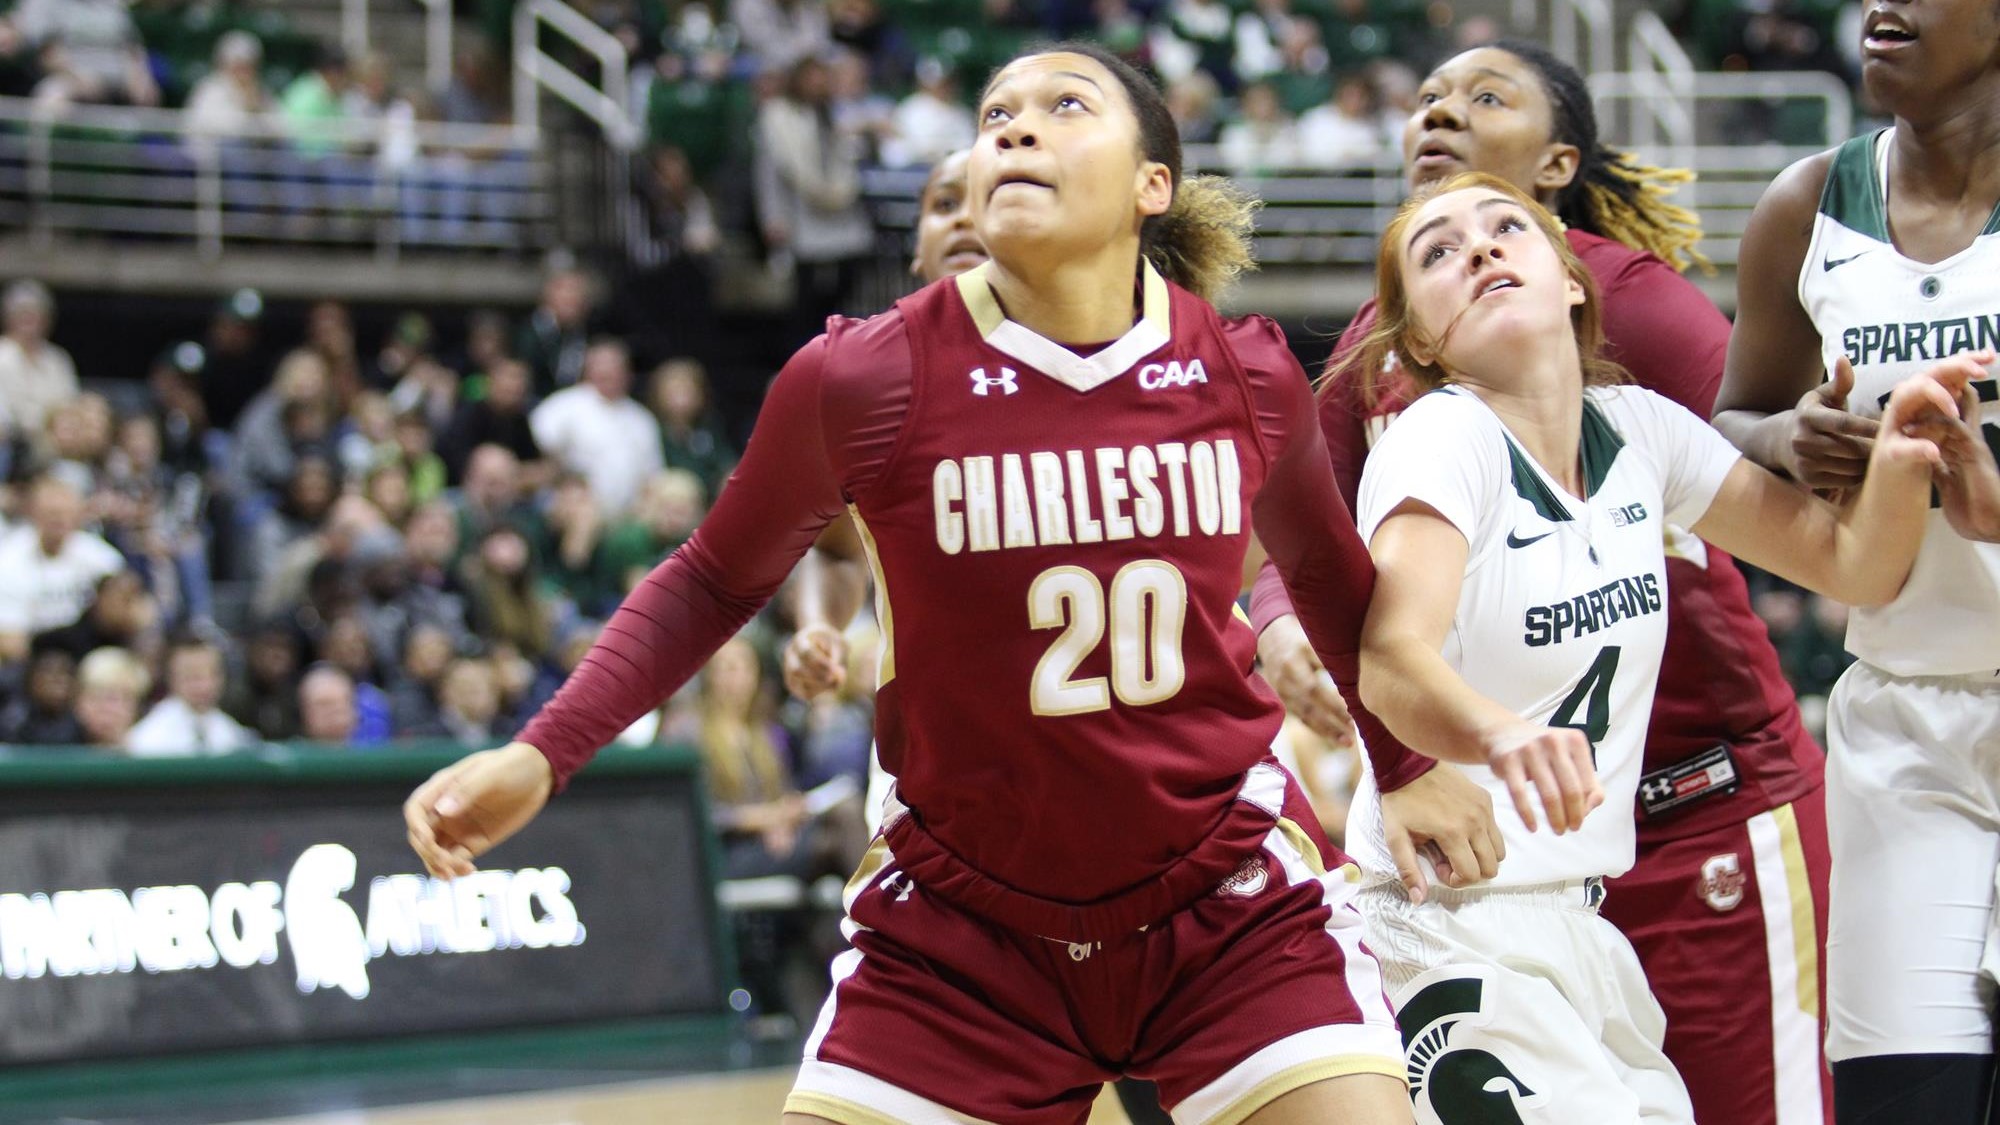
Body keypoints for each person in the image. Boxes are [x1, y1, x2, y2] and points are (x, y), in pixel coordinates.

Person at [404, 43, 1475, 1124]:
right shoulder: (861, 376)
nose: (1012, 127)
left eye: (1064, 106)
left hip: (1226, 904)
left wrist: (1406, 763)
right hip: (961, 940)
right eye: (994, 112)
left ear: (1153, 184)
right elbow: (709, 580)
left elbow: (1332, 590)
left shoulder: (1244, 373)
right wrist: (543, 754)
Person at [1248, 41, 1839, 1125]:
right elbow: (1305, 531)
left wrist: (1872, 441)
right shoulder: (1394, 344)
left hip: (1696, 800)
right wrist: (1283, 622)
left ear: (1558, 166)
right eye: (1424, 97)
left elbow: (1774, 453)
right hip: (1500, 840)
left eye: (1482, 98)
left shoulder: (1630, 307)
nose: (1439, 112)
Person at [1346, 173, 1972, 1124]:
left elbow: (1849, 566)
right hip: (1445, 921)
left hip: (1579, 918)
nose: (1476, 249)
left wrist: (1898, 453)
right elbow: (1390, 660)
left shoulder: (1639, 429)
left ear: (1569, 278)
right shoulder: (1443, 438)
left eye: (1504, 227)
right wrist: (1499, 734)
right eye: (1437, 252)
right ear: (1422, 343)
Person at [1710, 1, 2000, 1115]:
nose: (1882, 8)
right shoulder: (1805, 204)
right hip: (1905, 716)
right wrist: (1786, 437)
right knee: (1901, 1099)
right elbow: (1729, 420)